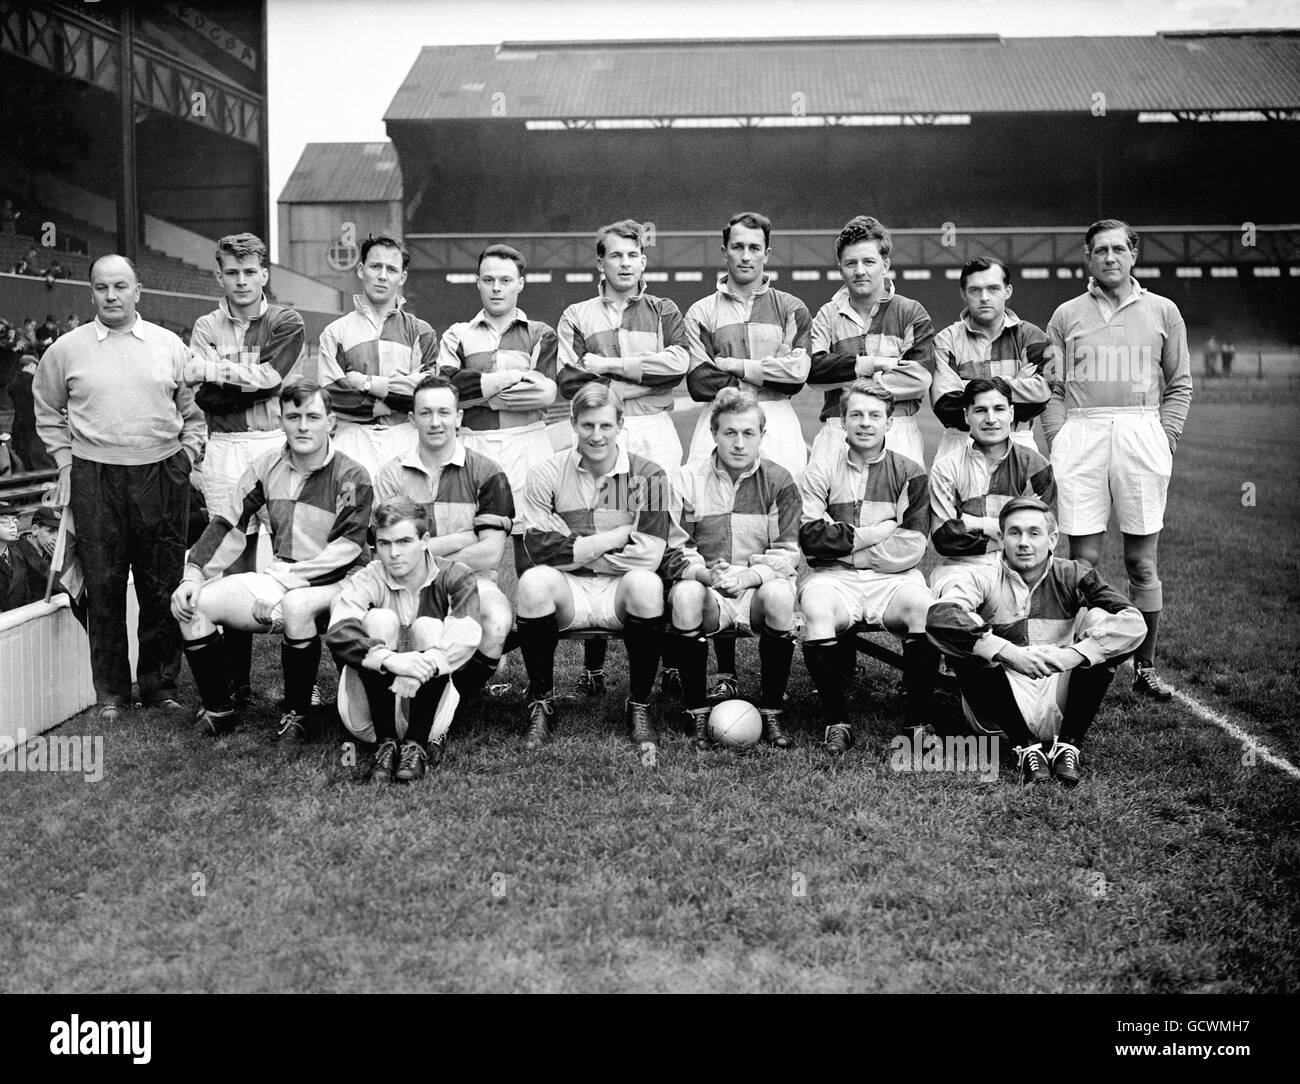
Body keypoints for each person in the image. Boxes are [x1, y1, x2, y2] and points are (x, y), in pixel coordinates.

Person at [34, 254, 205, 722]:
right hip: (96, 476)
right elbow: (47, 409)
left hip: (160, 473)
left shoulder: (170, 345)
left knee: (160, 583)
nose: (112, 296)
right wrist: (65, 461)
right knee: (105, 585)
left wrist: (185, 459)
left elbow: (192, 414)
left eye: (120, 286)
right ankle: (110, 691)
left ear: (137, 290)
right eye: (102, 287)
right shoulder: (66, 349)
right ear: (90, 293)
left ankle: (159, 687)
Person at [169, 383, 372, 743]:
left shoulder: (350, 476)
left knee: (296, 604)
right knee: (195, 606)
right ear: (282, 421)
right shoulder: (265, 467)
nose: (303, 426)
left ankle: (296, 714)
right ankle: (219, 709)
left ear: (332, 422)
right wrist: (192, 575)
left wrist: (293, 577)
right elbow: (227, 524)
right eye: (294, 417)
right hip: (285, 574)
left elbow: (348, 547)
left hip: (344, 581)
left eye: (313, 417)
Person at [1043, 219, 1193, 701]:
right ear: (1087, 259)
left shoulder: (1163, 311)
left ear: (1133, 255)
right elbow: (1053, 388)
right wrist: (1059, 436)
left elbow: (1180, 383)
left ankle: (1145, 667)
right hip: (1083, 430)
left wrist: (1164, 435)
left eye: (1118, 249)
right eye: (1099, 250)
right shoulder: (1066, 314)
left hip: (1141, 429)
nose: (1109, 257)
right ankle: (1077, 661)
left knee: (1140, 563)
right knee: (1081, 559)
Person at [926, 496, 1146, 786]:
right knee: (969, 634)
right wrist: (1009, 653)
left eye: (1034, 533)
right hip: (999, 707)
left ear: (1052, 539)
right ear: (1002, 538)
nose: (1024, 542)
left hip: (1060, 694)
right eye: (1014, 533)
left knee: (1101, 622)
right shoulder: (982, 576)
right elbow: (940, 616)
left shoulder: (1073, 574)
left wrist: (1077, 654)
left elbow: (1133, 620)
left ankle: (1069, 745)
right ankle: (1025, 747)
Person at [513, 382, 673, 750]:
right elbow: (539, 550)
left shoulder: (649, 475)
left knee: (647, 583)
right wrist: (615, 537)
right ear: (573, 423)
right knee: (534, 582)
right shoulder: (546, 473)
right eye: (587, 426)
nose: (597, 435)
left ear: (620, 424)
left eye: (605, 425)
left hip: (621, 588)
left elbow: (648, 553)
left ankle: (639, 705)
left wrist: (573, 547)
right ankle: (542, 702)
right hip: (571, 590)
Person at [184, 232, 307, 707]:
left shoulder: (286, 319)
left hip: (274, 444)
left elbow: (273, 378)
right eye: (231, 273)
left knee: (291, 559)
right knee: (229, 558)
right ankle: (236, 682)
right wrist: (248, 380)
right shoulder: (205, 324)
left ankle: (301, 678)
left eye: (250, 272)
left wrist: (217, 370)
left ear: (265, 275)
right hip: (225, 447)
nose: (241, 281)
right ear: (219, 275)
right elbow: (204, 396)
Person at [798, 379, 938, 756]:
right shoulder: (819, 470)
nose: (865, 423)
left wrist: (843, 544)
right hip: (833, 578)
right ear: (842, 421)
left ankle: (917, 723)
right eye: (856, 414)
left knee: (923, 608)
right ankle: (836, 722)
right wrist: (873, 534)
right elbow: (811, 539)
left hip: (893, 579)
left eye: (875, 415)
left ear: (889, 423)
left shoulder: (911, 473)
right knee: (816, 610)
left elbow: (911, 546)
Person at [664, 387, 801, 748]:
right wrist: (708, 575)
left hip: (755, 589)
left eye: (748, 433)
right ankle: (697, 713)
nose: (739, 443)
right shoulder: (686, 479)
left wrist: (749, 576)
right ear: (714, 434)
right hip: (711, 589)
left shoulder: (780, 480)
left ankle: (771, 712)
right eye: (730, 433)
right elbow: (674, 550)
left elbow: (787, 552)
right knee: (686, 594)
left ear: (762, 435)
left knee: (780, 595)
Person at [373, 375, 515, 704]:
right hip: (404, 583)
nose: (435, 422)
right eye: (425, 413)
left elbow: (491, 554)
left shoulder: (488, 472)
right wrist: (463, 538)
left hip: (470, 579)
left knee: (497, 621)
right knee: (378, 621)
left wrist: (421, 553)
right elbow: (389, 551)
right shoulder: (391, 474)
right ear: (411, 419)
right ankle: (399, 697)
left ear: (459, 418)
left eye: (444, 412)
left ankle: (453, 698)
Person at [325, 498, 483, 782]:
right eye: (384, 544)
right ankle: (385, 744)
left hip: (429, 718)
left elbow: (467, 635)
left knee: (429, 627)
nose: (393, 553)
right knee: (379, 621)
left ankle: (415, 746)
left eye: (404, 541)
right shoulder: (369, 576)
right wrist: (391, 660)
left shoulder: (456, 576)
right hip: (369, 719)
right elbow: (338, 629)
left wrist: (425, 665)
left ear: (424, 540)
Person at [683, 211, 812, 477]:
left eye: (754, 248)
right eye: (737, 247)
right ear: (724, 251)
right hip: (719, 419)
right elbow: (700, 383)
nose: (745, 256)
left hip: (777, 423)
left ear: (766, 253)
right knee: (708, 510)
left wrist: (736, 367)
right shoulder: (700, 312)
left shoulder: (792, 309)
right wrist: (770, 371)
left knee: (783, 512)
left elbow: (796, 377)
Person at [557, 218, 689, 465]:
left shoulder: (664, 310)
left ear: (643, 262)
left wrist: (608, 366)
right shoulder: (575, 315)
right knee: (609, 503)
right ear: (600, 263)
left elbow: (678, 366)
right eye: (616, 255)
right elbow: (571, 381)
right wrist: (646, 384)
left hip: (654, 431)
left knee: (657, 503)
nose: (625, 263)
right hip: (601, 429)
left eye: (632, 255)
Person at [808, 216, 934, 469]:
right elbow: (813, 372)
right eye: (851, 263)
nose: (860, 271)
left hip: (897, 429)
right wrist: (875, 365)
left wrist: (849, 382)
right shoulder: (827, 314)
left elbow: (919, 380)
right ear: (840, 268)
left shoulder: (911, 312)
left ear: (885, 265)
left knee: (904, 507)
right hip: (838, 428)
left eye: (868, 261)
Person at [437, 244, 558, 505]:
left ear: (520, 283)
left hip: (529, 443)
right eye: (488, 280)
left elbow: (541, 395)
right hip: (473, 442)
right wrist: (509, 379)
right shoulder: (456, 334)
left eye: (505, 280)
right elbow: (446, 394)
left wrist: (474, 394)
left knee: (531, 533)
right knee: (477, 527)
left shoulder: (541, 333)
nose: (496, 288)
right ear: (477, 282)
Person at [317, 231, 438, 479]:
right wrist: (388, 400)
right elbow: (332, 394)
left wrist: (366, 383)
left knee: (405, 514)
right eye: (375, 266)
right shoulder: (335, 332)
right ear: (361, 270)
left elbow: (429, 393)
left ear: (402, 276)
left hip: (406, 434)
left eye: (391, 269)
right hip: (353, 437)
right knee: (354, 510)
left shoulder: (421, 332)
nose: (383, 276)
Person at [929, 377, 1056, 594]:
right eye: (980, 410)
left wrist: (970, 523)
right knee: (950, 612)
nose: (991, 419)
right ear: (966, 415)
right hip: (963, 570)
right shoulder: (945, 468)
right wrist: (1011, 531)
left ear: (1012, 413)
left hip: (1023, 571)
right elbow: (945, 538)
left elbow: (1041, 537)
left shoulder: (1037, 467)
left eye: (999, 409)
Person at [929, 256, 1053, 465]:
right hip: (960, 444)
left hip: (1018, 441)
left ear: (1008, 291)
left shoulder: (1032, 336)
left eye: (993, 288)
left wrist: (968, 389)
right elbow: (946, 406)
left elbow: (1041, 398)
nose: (984, 297)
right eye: (975, 290)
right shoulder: (945, 340)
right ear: (963, 293)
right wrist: (1009, 384)